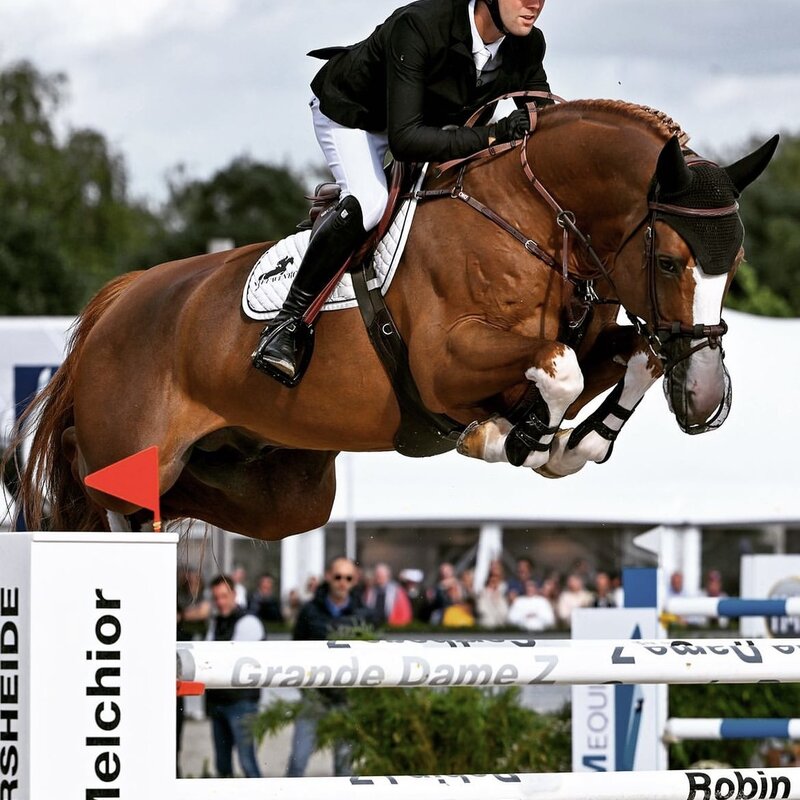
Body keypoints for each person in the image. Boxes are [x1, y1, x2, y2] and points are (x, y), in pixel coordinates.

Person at [252, 0, 551, 383]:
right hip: (355, 116)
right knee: (371, 203)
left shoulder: (526, 44)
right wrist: (494, 134)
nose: (534, 4)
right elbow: (407, 140)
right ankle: (287, 325)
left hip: (426, 124)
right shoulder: (420, 25)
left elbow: (541, 116)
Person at [287, 556, 375, 777]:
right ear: (328, 577)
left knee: (345, 767)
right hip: (314, 696)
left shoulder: (365, 614)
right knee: (297, 762)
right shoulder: (309, 611)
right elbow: (295, 648)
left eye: (348, 578)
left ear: (355, 581)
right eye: (338, 577)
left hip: (347, 699)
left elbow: (373, 655)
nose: (342, 582)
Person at [205, 575, 266, 778]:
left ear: (234, 594)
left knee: (247, 762)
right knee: (222, 766)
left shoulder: (248, 622)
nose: (220, 602)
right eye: (216, 597)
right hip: (219, 701)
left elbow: (231, 662)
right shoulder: (218, 621)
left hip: (242, 701)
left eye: (224, 596)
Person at [363, 562, 413, 627]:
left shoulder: (398, 591)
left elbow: (405, 613)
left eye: (382, 575)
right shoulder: (370, 591)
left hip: (392, 626)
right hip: (372, 624)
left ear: (388, 576)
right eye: (377, 575)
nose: (379, 578)